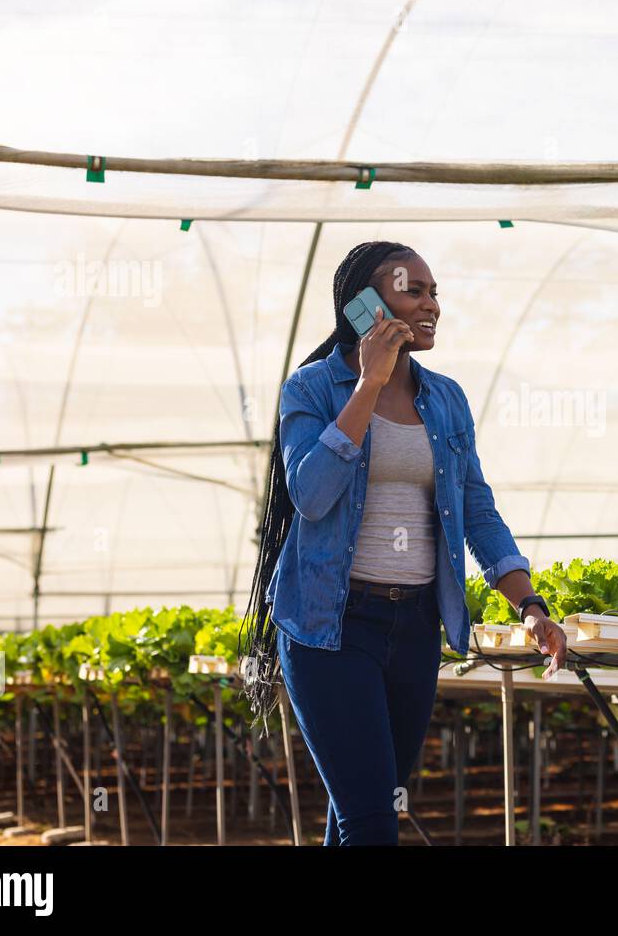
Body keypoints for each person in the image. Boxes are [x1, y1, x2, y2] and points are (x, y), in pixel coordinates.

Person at [239, 240, 567, 845]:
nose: (431, 304)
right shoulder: (312, 389)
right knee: (371, 823)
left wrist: (530, 605)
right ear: (365, 307)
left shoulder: (445, 399)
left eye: (434, 291)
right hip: (331, 627)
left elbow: (476, 509)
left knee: (361, 814)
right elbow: (310, 494)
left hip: (414, 629)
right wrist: (368, 385)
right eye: (412, 291)